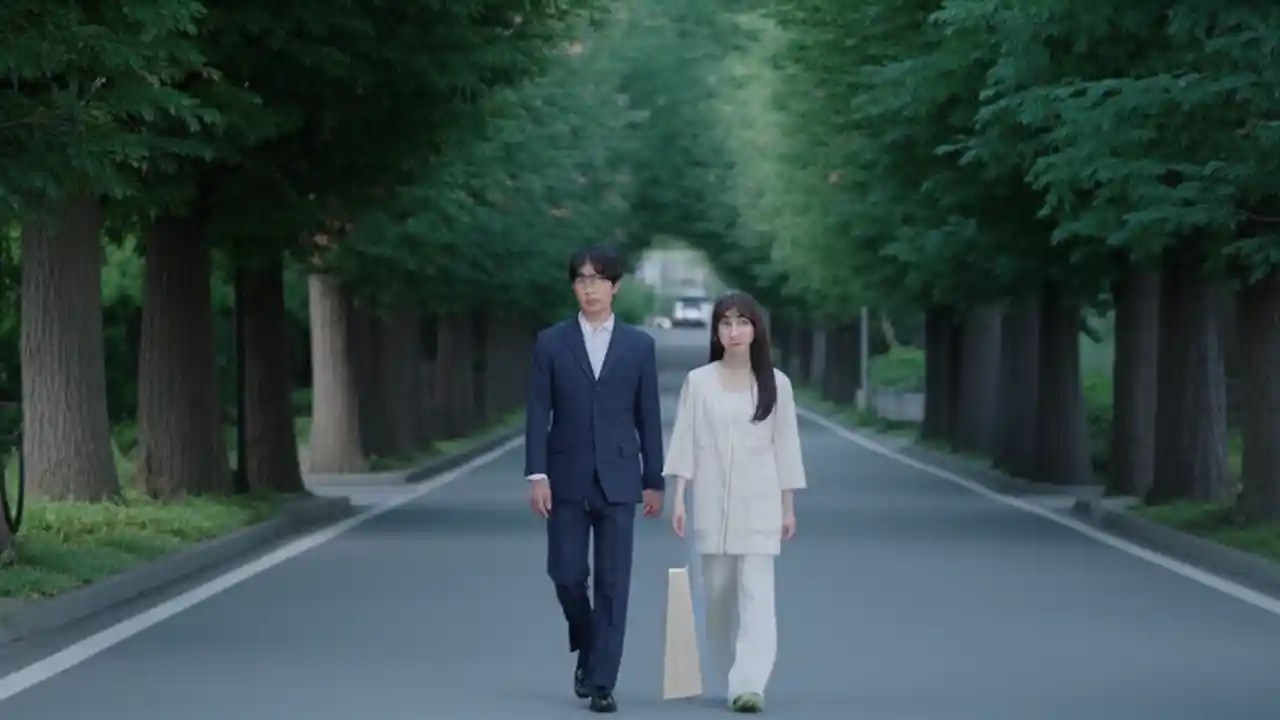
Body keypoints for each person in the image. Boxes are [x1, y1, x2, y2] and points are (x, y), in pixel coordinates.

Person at [524, 245, 665, 714]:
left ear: (615, 287)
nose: (591, 287)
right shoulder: (550, 342)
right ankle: (588, 643)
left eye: (599, 279)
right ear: (574, 287)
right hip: (565, 476)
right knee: (565, 574)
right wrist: (538, 474)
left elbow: (648, 415)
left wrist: (654, 480)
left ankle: (602, 681)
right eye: (582, 279)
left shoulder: (639, 346)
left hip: (621, 478)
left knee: (613, 584)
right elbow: (538, 410)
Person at [662, 291, 807, 714]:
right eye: (726, 323)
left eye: (742, 322)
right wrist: (679, 497)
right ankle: (728, 672)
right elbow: (685, 439)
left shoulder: (775, 383)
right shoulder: (699, 381)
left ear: (756, 329)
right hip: (711, 500)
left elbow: (787, 445)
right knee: (720, 594)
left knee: (758, 593)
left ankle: (750, 682)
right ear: (716, 332)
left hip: (760, 502)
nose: (734, 331)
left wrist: (788, 504)